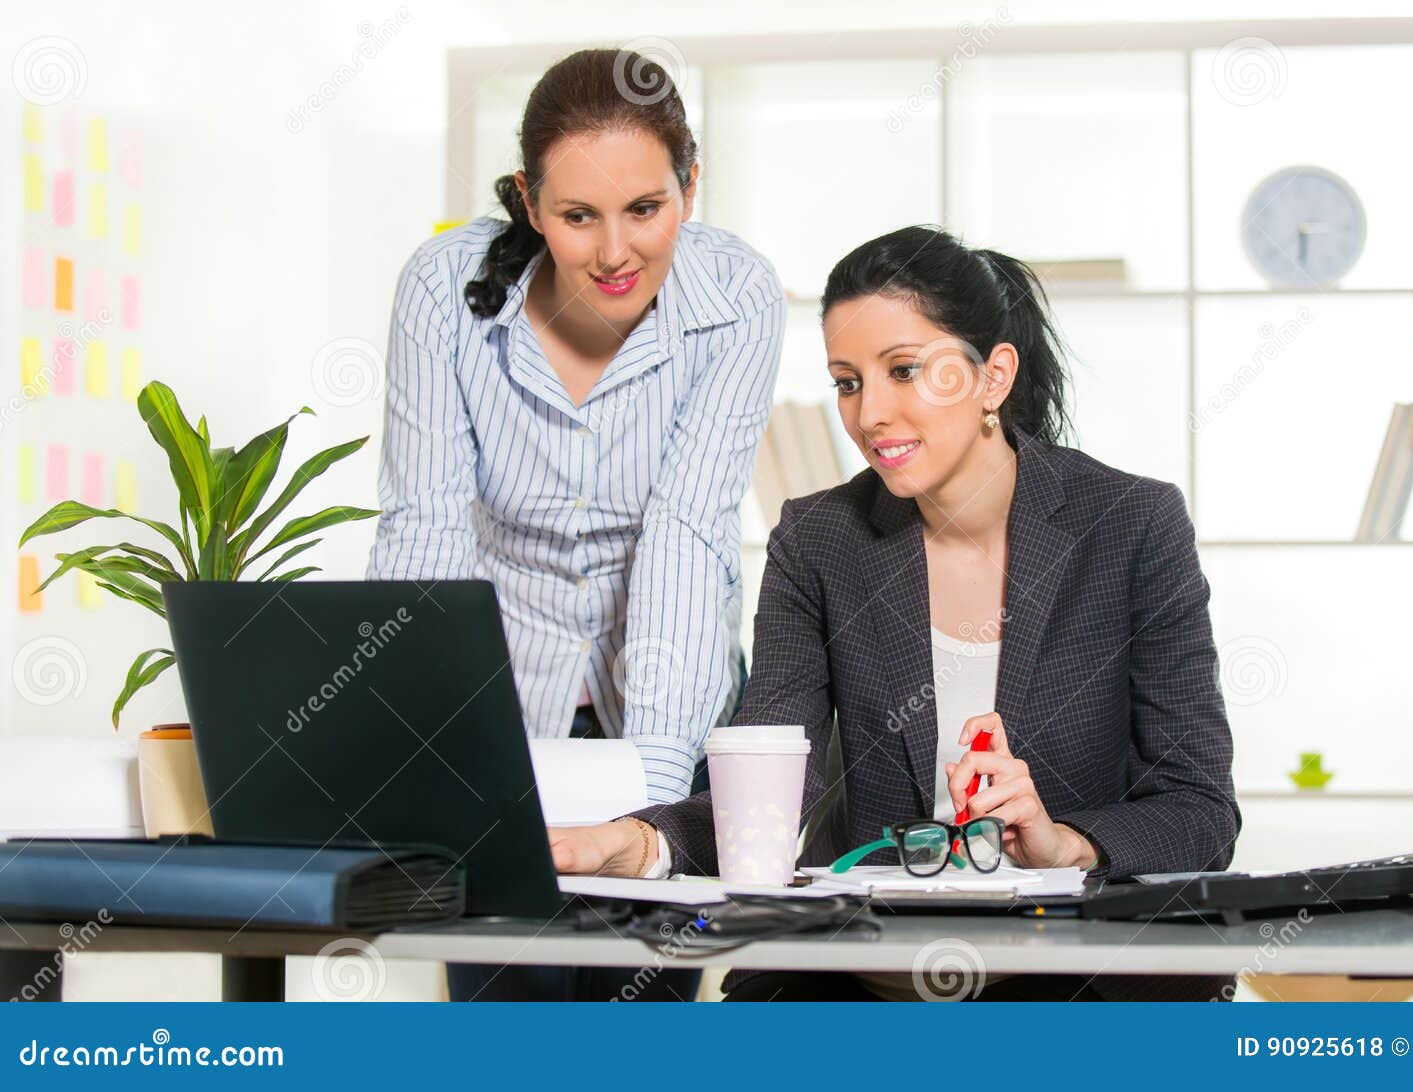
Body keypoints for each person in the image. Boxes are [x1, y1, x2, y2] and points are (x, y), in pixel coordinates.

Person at [549, 226, 1241, 1001]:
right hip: (869, 975)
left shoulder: (1131, 526)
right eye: (848, 382)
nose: (870, 413)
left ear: (993, 377)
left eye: (904, 371)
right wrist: (639, 844)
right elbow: (777, 786)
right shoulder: (819, 540)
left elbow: (1198, 806)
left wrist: (1065, 842)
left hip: (1069, 971)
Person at [366, 48, 782, 1001]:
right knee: (503, 997)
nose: (614, 253)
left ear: (691, 184)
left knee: (648, 1006)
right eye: (576, 216)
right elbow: (425, 531)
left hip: (668, 684)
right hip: (503, 687)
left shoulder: (736, 301)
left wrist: (660, 810)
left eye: (646, 209)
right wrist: (421, 751)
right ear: (526, 201)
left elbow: (688, 533)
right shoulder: (442, 291)